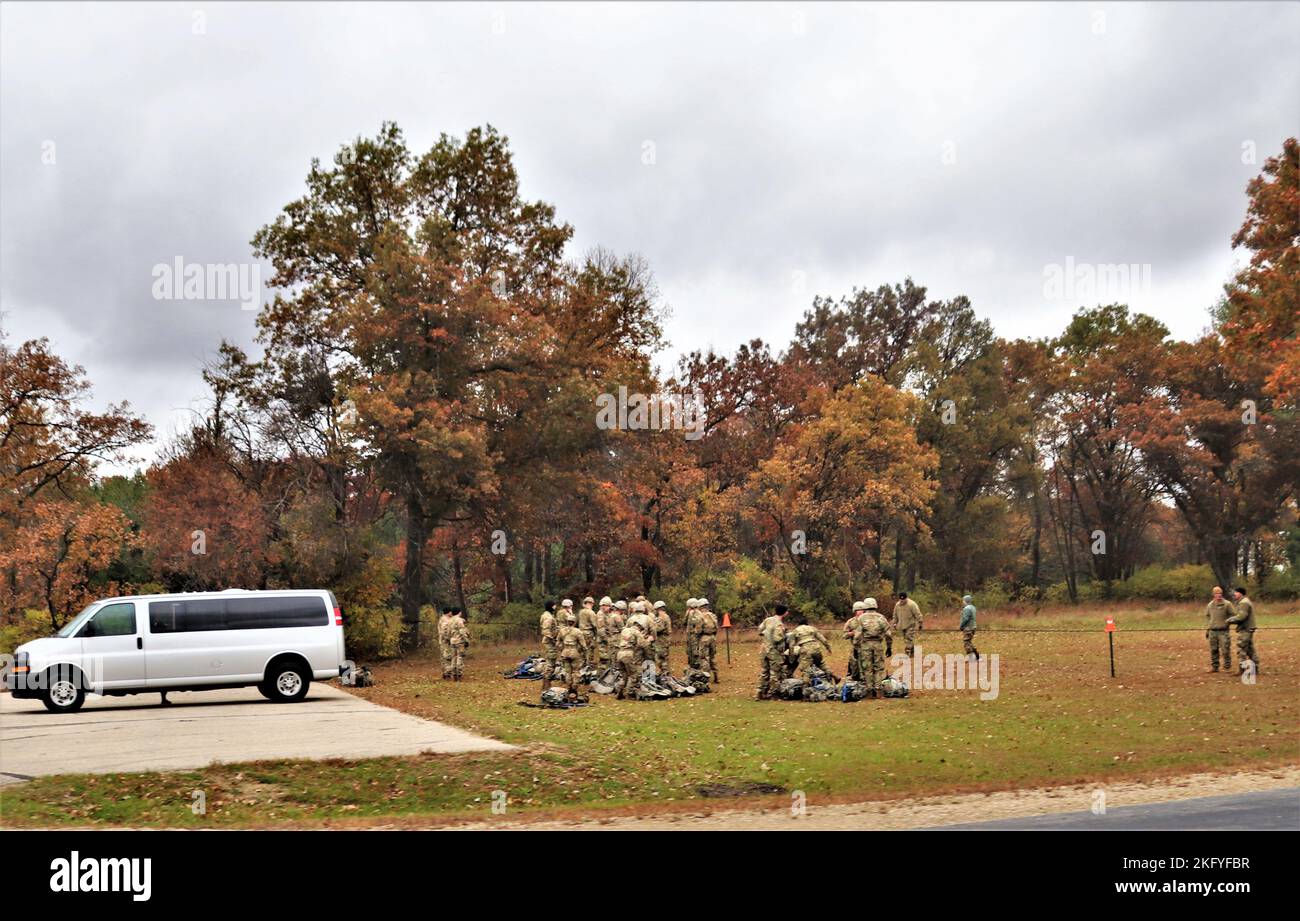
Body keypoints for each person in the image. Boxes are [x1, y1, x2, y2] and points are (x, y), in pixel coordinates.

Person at [852, 598, 890, 697]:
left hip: (865, 645)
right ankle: (878, 690)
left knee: (867, 667)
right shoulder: (881, 618)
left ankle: (869, 690)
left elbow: (857, 635)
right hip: (878, 644)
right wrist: (889, 647)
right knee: (878, 667)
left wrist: (856, 647)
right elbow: (888, 634)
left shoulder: (862, 618)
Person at [757, 605, 788, 699]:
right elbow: (777, 638)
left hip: (764, 649)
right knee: (775, 672)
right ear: (785, 613)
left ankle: (760, 692)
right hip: (773, 651)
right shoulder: (779, 624)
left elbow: (760, 630)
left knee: (764, 672)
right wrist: (784, 634)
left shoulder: (768, 619)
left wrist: (765, 634)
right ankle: (774, 694)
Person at [788, 613, 832, 680]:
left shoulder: (796, 630)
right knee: (821, 664)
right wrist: (828, 649)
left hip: (806, 650)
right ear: (807, 623)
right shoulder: (812, 628)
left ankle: (806, 688)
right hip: (816, 649)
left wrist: (791, 657)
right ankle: (834, 677)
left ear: (798, 623)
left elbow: (791, 645)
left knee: (806, 671)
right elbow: (823, 640)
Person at [1205, 586, 1236, 673]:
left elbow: (1233, 615)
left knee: (1225, 649)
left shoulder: (1227, 604)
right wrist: (1208, 628)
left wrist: (1228, 622)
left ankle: (1227, 666)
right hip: (1213, 631)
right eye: (1216, 593)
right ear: (1213, 594)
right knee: (1214, 649)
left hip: (1223, 631)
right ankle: (1215, 667)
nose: (1219, 595)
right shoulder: (1210, 605)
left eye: (1220, 593)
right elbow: (1207, 616)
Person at [556, 614, 588, 699]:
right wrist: (584, 653)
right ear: (574, 622)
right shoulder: (577, 631)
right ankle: (574, 689)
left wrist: (562, 649)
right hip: (574, 653)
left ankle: (569, 687)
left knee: (568, 672)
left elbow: (558, 643)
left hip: (565, 652)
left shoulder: (562, 631)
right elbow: (583, 645)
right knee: (576, 672)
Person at [1227, 587, 1258, 674]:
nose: (1234, 594)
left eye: (1236, 593)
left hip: (1246, 629)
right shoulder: (1245, 601)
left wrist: (1230, 620)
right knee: (1250, 650)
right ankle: (1255, 668)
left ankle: (1242, 670)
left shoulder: (1244, 603)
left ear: (1240, 593)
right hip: (1248, 628)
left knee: (1242, 649)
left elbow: (1241, 617)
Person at [893, 591, 923, 660]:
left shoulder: (912, 604)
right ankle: (912, 652)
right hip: (902, 625)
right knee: (907, 639)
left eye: (904, 599)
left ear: (906, 598)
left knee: (908, 638)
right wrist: (894, 623)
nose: (902, 601)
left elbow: (917, 614)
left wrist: (920, 622)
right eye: (901, 599)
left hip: (910, 624)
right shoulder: (897, 605)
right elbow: (895, 615)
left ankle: (907, 654)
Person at [697, 598, 720, 683]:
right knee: (713, 657)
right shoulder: (713, 615)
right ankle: (716, 676)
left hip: (704, 638)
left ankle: (706, 677)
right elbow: (716, 627)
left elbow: (698, 629)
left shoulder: (700, 616)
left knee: (704, 658)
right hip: (713, 637)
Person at [843, 601, 867, 679]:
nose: (860, 612)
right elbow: (844, 635)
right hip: (855, 647)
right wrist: (851, 633)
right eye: (858, 610)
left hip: (866, 646)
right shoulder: (850, 622)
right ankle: (851, 673)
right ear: (855, 611)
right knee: (854, 665)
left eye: (862, 610)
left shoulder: (867, 620)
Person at [539, 601, 559, 691]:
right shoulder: (548, 617)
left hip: (549, 642)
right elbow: (546, 631)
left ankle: (546, 684)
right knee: (551, 662)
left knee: (550, 661)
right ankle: (546, 684)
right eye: (554, 606)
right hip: (549, 642)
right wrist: (553, 639)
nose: (555, 607)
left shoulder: (548, 615)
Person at [448, 607, 470, 681]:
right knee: (460, 657)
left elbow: (448, 632)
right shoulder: (459, 620)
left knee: (453, 658)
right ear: (459, 612)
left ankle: (453, 674)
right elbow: (462, 631)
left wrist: (449, 639)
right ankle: (459, 674)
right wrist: (466, 640)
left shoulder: (449, 620)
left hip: (452, 641)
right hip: (459, 641)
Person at [578, 597, 599, 669]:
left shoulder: (581, 612)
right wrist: (597, 635)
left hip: (580, 632)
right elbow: (595, 625)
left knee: (581, 651)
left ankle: (581, 666)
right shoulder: (591, 612)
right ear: (591, 603)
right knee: (589, 650)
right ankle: (588, 667)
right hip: (588, 634)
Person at [652, 601, 672, 674]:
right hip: (664, 639)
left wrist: (651, 629)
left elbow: (659, 628)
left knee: (662, 657)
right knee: (662, 657)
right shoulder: (665, 616)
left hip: (662, 640)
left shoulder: (662, 617)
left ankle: (665, 674)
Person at [437, 606, 456, 680]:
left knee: (444, 658)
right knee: (448, 657)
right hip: (446, 642)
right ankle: (447, 674)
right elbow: (444, 632)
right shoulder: (446, 620)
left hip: (443, 642)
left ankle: (445, 673)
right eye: (451, 612)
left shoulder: (442, 618)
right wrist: (449, 639)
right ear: (449, 612)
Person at [959, 595, 979, 661]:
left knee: (966, 642)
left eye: (963, 600)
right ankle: (977, 655)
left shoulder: (966, 608)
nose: (962, 602)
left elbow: (965, 619)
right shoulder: (973, 607)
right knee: (969, 641)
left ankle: (971, 657)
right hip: (973, 627)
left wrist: (961, 626)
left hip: (968, 628)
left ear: (966, 601)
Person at [683, 599, 700, 668]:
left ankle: (696, 667)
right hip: (690, 635)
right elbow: (684, 622)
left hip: (694, 635)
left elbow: (694, 622)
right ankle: (691, 666)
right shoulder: (690, 612)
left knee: (694, 652)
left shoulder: (696, 613)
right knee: (689, 652)